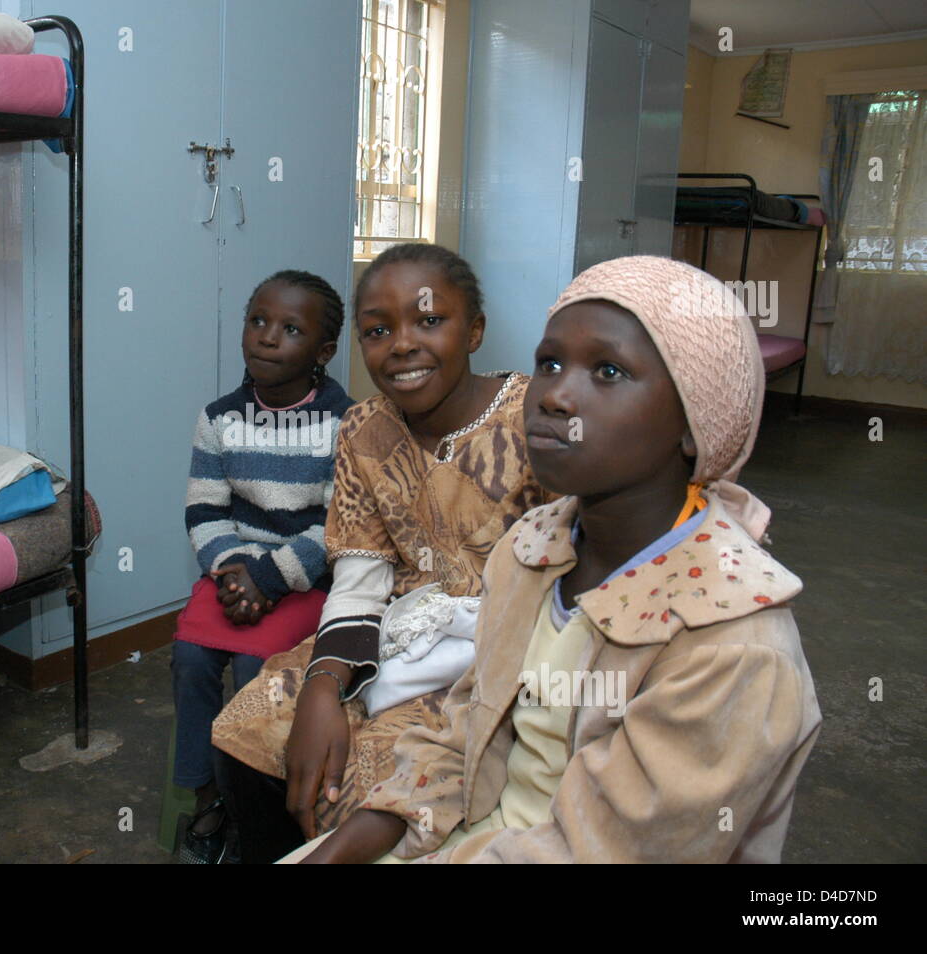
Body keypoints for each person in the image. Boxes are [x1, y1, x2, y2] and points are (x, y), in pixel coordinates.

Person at [299, 255, 822, 863]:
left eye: (607, 371)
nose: (554, 396)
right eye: (550, 364)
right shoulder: (529, 552)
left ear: (693, 422)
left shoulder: (731, 648)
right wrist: (341, 851)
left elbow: (598, 850)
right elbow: (465, 734)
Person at [212, 243, 551, 862]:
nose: (401, 344)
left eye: (429, 320)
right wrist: (322, 686)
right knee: (248, 724)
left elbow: (564, 581)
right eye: (378, 329)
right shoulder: (364, 429)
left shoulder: (534, 422)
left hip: (498, 659)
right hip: (391, 633)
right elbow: (360, 578)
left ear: (474, 329)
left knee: (372, 784)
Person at [173, 269, 354, 863]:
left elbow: (338, 526)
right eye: (258, 321)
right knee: (191, 657)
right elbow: (205, 506)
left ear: (323, 351)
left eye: (291, 329)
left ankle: (251, 798)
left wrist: (271, 578)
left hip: (303, 577)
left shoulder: (345, 424)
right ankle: (203, 793)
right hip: (233, 575)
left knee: (258, 665)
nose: (267, 338)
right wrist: (231, 570)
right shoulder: (219, 417)